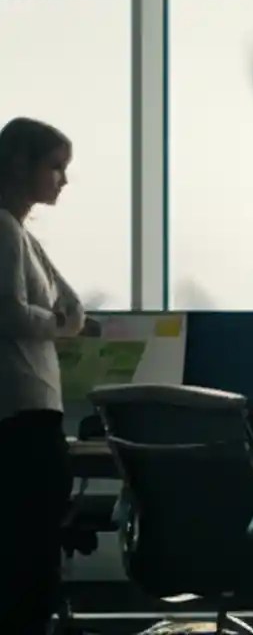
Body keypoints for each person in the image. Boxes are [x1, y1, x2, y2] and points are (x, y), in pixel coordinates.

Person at [0, 117, 85, 632]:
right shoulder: (4, 229)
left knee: (30, 547)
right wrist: (58, 324)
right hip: (23, 412)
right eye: (55, 167)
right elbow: (7, 312)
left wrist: (64, 318)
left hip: (30, 408)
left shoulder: (20, 232)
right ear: (18, 164)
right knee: (29, 552)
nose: (63, 181)